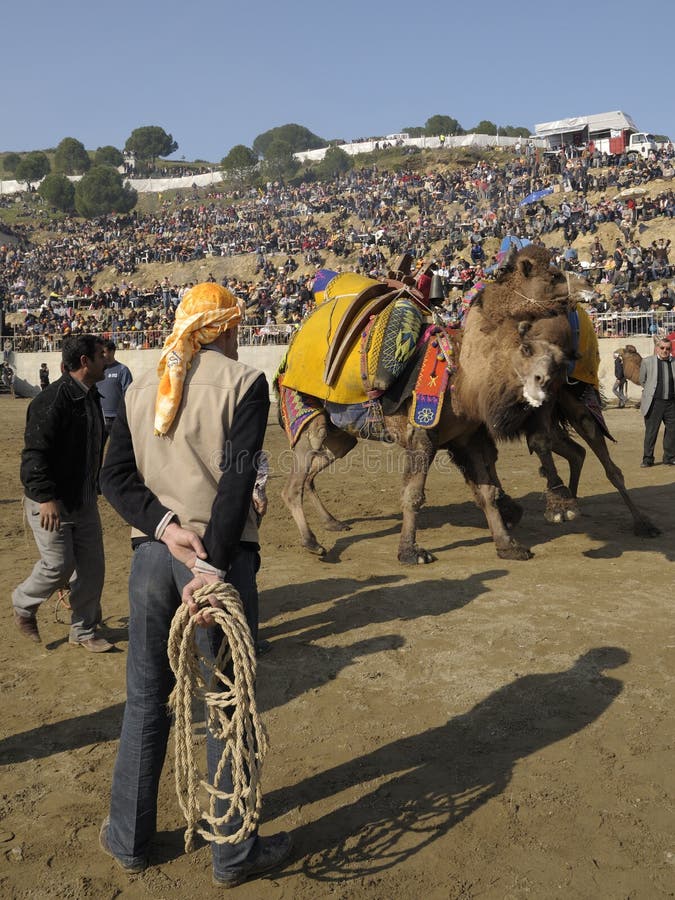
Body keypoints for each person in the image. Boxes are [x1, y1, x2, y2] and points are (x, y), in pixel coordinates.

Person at [99, 282, 291, 886]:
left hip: (152, 558)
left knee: (145, 699)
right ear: (224, 329)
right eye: (237, 328)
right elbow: (236, 486)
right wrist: (209, 569)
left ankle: (128, 837)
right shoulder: (245, 384)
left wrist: (164, 526)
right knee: (226, 702)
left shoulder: (141, 386)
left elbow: (114, 478)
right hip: (216, 560)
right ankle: (232, 853)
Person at [12, 335, 113, 651]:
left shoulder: (92, 396)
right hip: (52, 502)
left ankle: (83, 631)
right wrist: (45, 497)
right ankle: (23, 602)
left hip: (83, 500)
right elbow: (34, 455)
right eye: (101, 355)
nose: (107, 360)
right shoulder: (51, 401)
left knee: (92, 569)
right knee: (58, 566)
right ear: (85, 361)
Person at [639, 339, 675, 467]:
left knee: (672, 431)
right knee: (651, 432)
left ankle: (669, 457)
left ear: (670, 349)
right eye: (662, 348)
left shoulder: (674, 362)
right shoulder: (647, 362)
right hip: (654, 403)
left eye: (668, 348)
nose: (665, 350)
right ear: (657, 348)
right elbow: (642, 380)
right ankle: (648, 459)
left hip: (671, 403)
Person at [97, 340, 133, 435]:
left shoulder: (122, 370)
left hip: (117, 418)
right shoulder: (97, 370)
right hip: (99, 417)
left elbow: (128, 395)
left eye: (104, 352)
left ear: (112, 352)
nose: (102, 355)